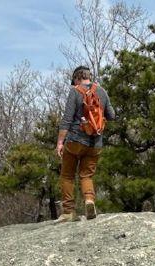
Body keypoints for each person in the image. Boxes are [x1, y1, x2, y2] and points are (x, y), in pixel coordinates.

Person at [55, 66, 116, 222]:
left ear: (76, 79)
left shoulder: (75, 91)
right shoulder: (101, 91)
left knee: (67, 175)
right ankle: (89, 201)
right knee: (87, 175)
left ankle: (69, 212)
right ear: (90, 76)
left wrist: (60, 142)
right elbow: (112, 115)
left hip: (75, 140)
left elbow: (67, 119)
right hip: (95, 142)